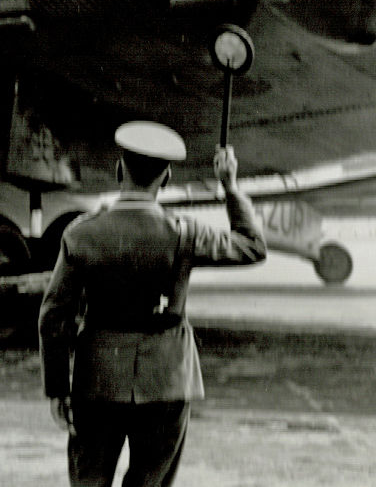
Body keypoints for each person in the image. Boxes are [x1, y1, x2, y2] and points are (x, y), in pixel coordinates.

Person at [39, 121, 266, 487]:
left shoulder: (82, 233)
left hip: (97, 381)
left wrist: (57, 387)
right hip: (168, 381)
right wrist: (229, 186)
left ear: (118, 169)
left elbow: (54, 316)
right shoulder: (187, 233)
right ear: (167, 178)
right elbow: (252, 246)